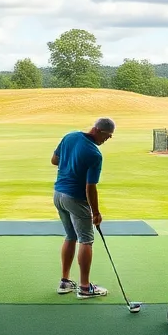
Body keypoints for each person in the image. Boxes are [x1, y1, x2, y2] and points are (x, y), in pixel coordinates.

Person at [51, 117, 115, 299]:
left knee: (71, 236)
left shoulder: (70, 136)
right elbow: (90, 187)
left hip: (58, 195)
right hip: (75, 198)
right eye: (107, 136)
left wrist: (70, 162)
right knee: (86, 240)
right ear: (98, 130)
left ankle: (65, 282)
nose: (107, 140)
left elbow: (54, 160)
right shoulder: (95, 154)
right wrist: (96, 212)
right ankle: (85, 287)